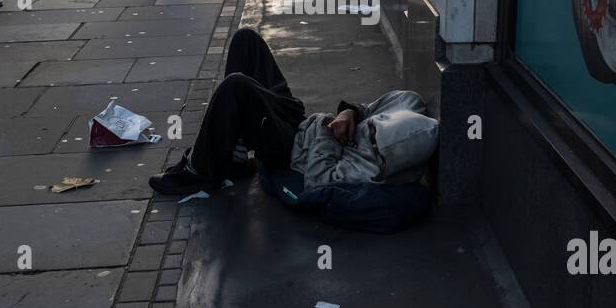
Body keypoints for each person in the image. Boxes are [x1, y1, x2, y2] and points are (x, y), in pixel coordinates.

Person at [148, 28, 437, 197]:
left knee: (236, 86)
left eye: (374, 137)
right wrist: (349, 114)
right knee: (246, 40)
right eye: (376, 128)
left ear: (388, 153)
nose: (371, 133)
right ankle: (234, 153)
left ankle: (199, 170)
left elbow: (318, 180)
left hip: (288, 150)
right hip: (299, 121)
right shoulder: (406, 113)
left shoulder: (372, 167)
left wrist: (328, 134)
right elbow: (377, 106)